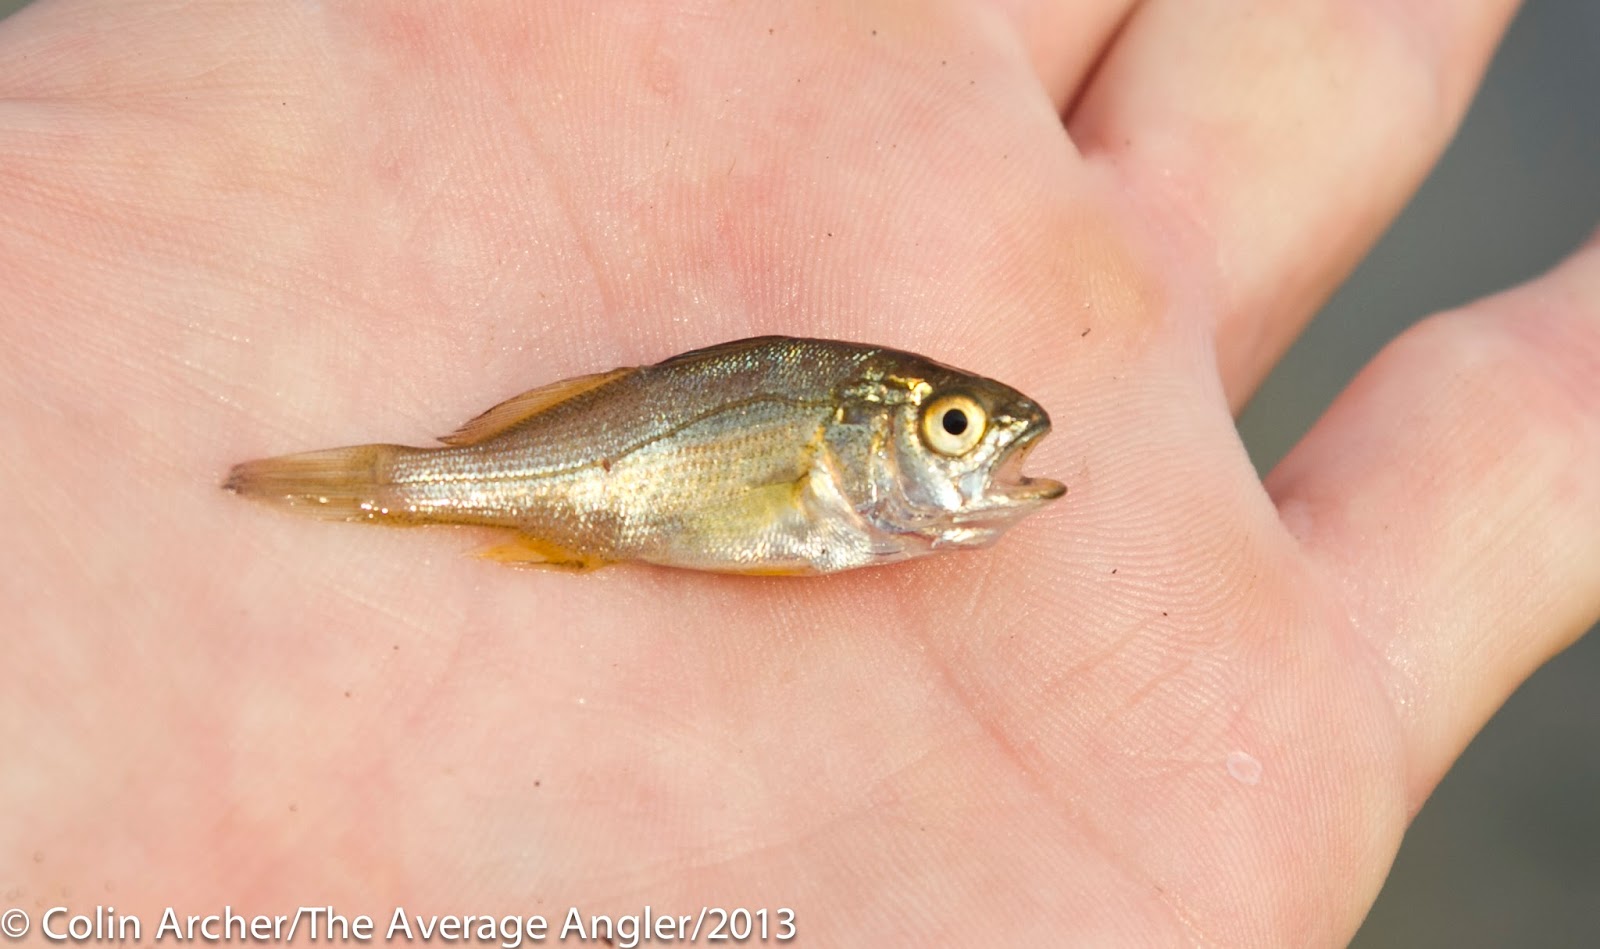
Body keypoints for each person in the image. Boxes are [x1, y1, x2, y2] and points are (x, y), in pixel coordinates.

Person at [2, 1, 1594, 944]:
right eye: (954, 426)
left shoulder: (839, 487)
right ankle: (406, 482)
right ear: (861, 437)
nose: (983, 447)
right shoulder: (809, 471)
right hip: (582, 486)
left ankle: (411, 482)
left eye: (961, 429)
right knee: (443, 482)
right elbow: (696, 483)